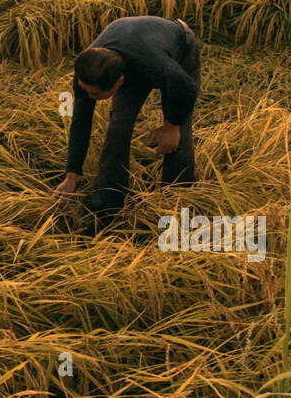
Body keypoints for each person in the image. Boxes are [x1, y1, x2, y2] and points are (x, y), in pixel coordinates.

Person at [56, 16, 202, 234]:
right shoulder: (88, 71)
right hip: (130, 50)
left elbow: (186, 88)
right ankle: (105, 209)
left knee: (178, 137)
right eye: (87, 91)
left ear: (119, 82)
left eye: (96, 94)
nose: (89, 97)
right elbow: (81, 121)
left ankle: (176, 204)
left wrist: (171, 126)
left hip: (179, 49)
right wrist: (72, 174)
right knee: (117, 131)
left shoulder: (157, 66)